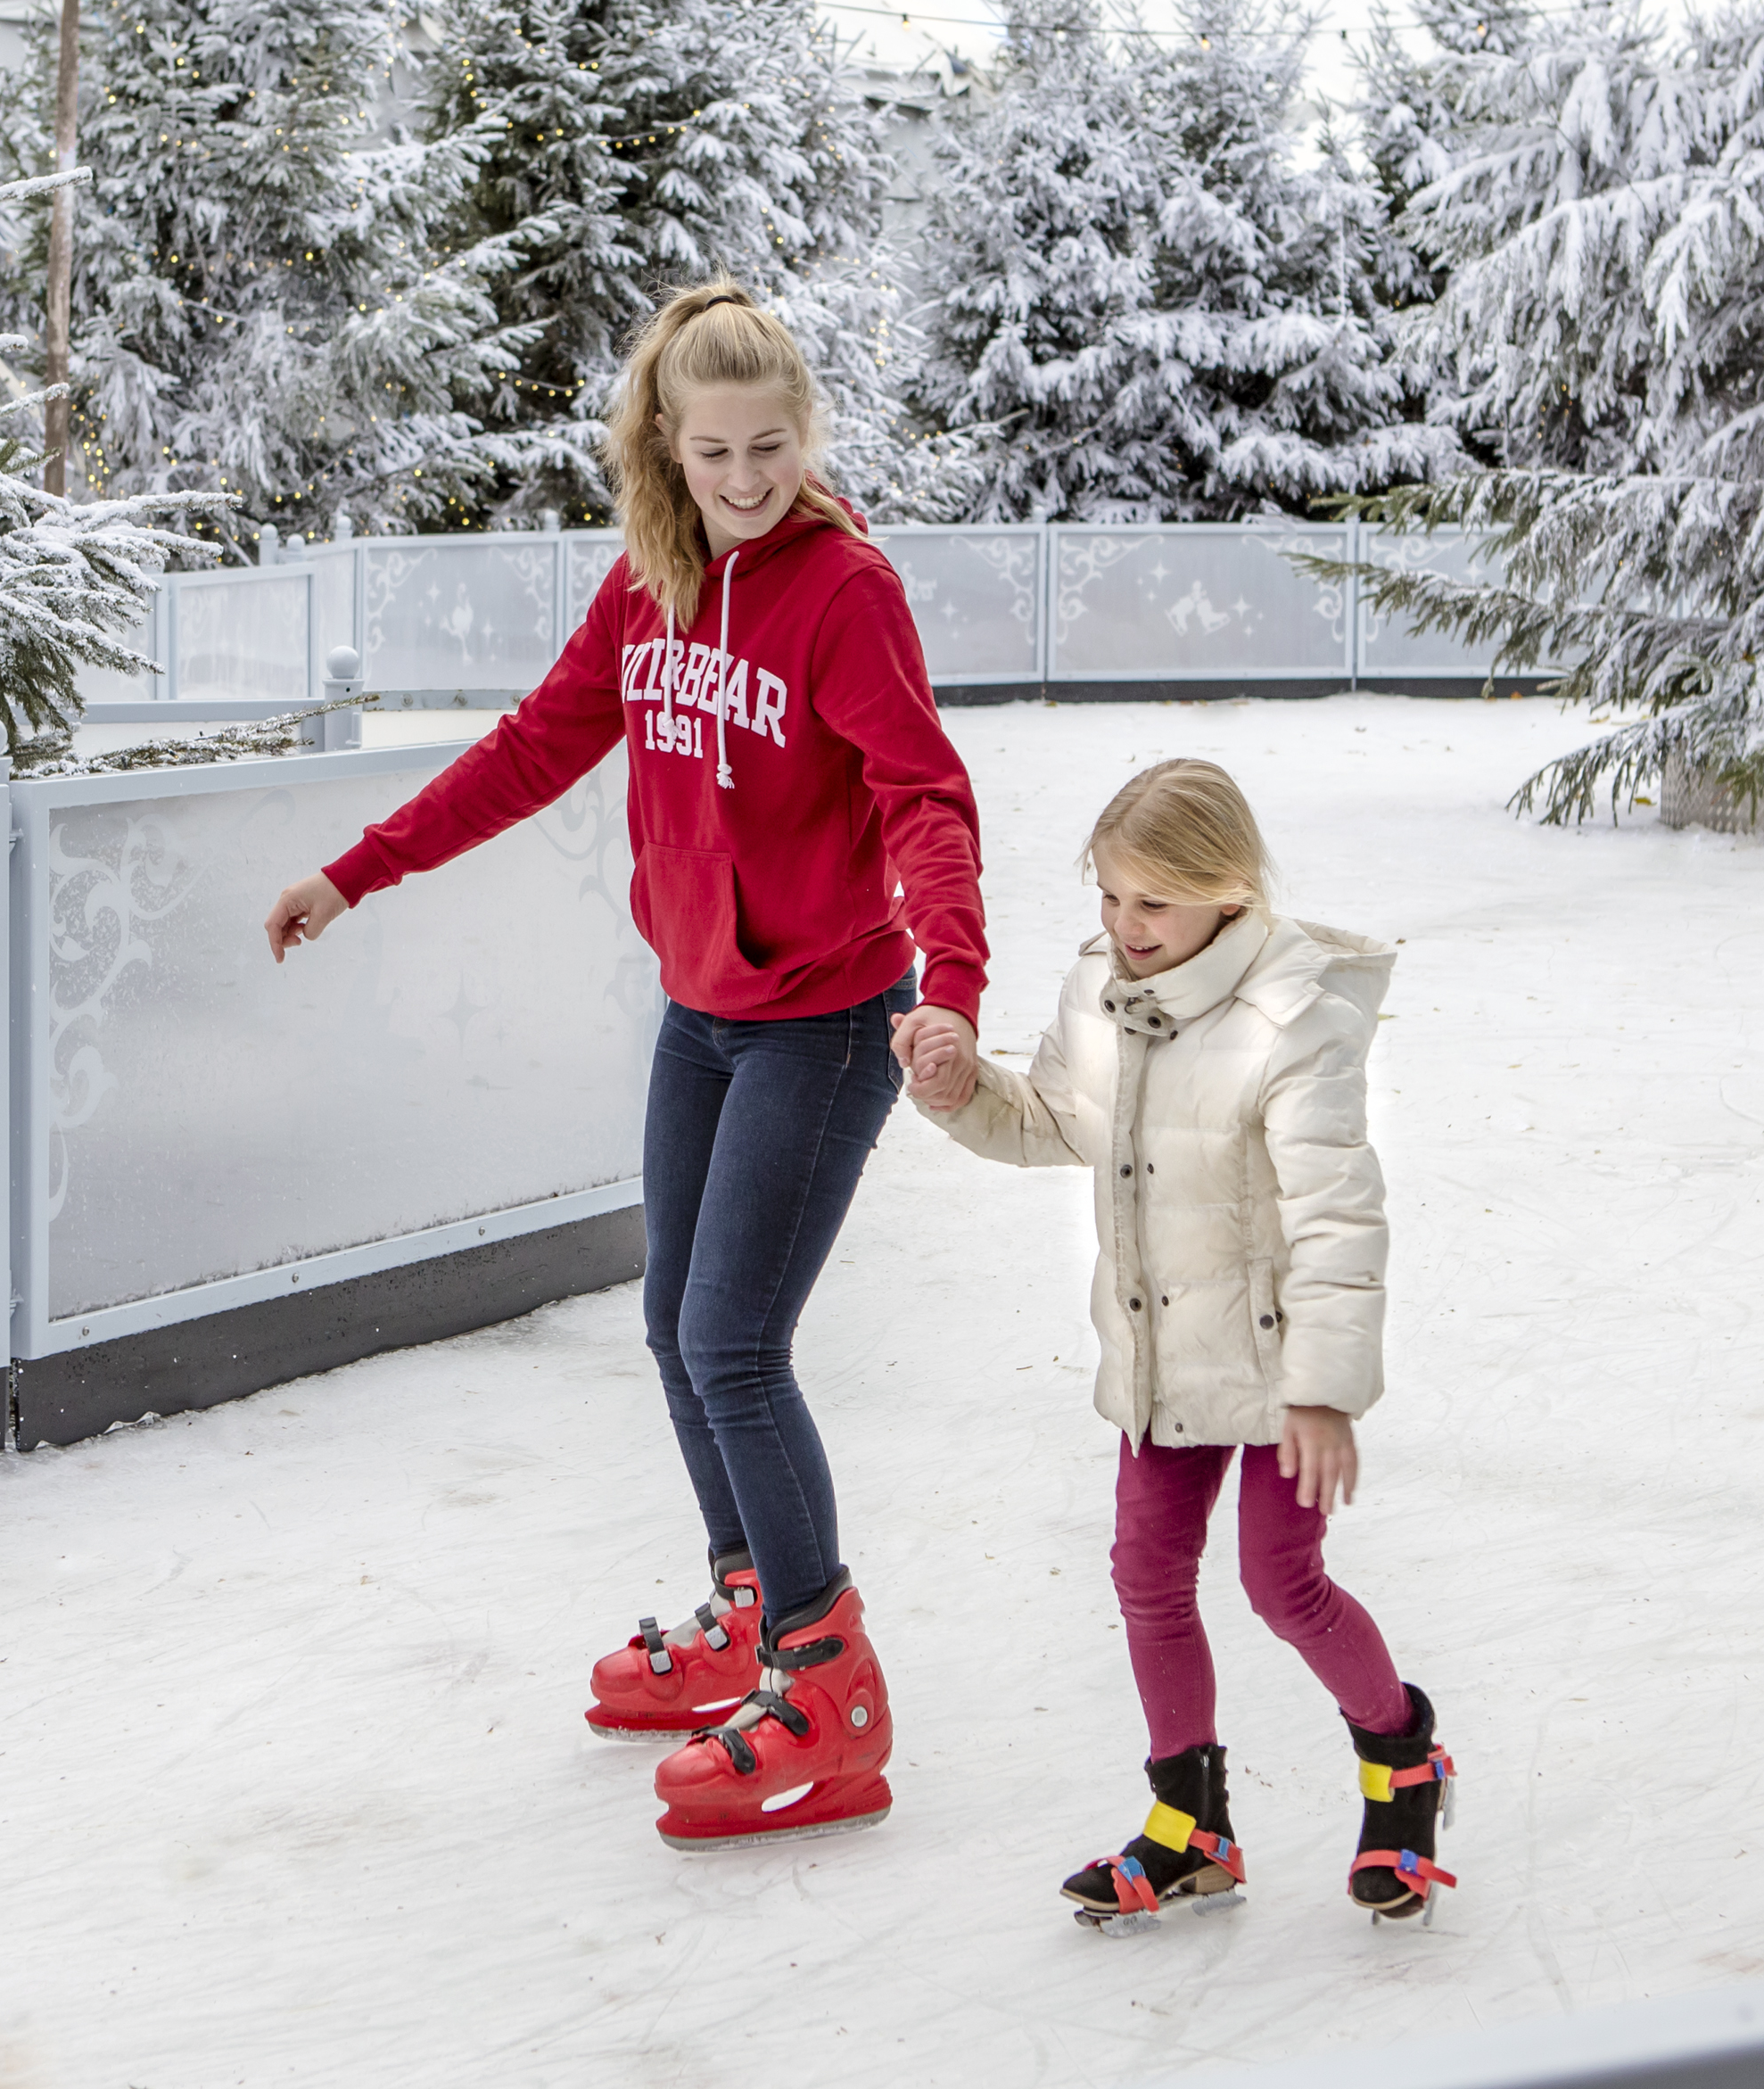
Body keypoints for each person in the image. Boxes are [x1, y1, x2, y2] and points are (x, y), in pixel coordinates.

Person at [260, 280, 989, 1850]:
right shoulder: (653, 579)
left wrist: (955, 987)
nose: (745, 481)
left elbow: (925, 793)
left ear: (809, 434)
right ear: (665, 442)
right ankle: (749, 1613)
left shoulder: (844, 591)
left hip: (826, 1015)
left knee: (733, 1339)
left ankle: (829, 1681)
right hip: (702, 1008)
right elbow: (535, 745)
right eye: (716, 451)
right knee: (671, 1322)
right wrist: (359, 868)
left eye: (773, 448)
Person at [897, 758, 1455, 1930]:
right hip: (1162, 1353)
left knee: (1279, 1581)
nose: (1122, 924)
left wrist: (1322, 1390)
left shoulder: (1290, 1020)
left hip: (1277, 1364)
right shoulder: (1102, 987)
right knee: (1146, 1579)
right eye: (1107, 895)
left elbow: (1338, 1213)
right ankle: (1190, 1823)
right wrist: (959, 1089)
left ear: (1226, 889)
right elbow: (1050, 1120)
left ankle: (1403, 1759)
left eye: (1150, 900)